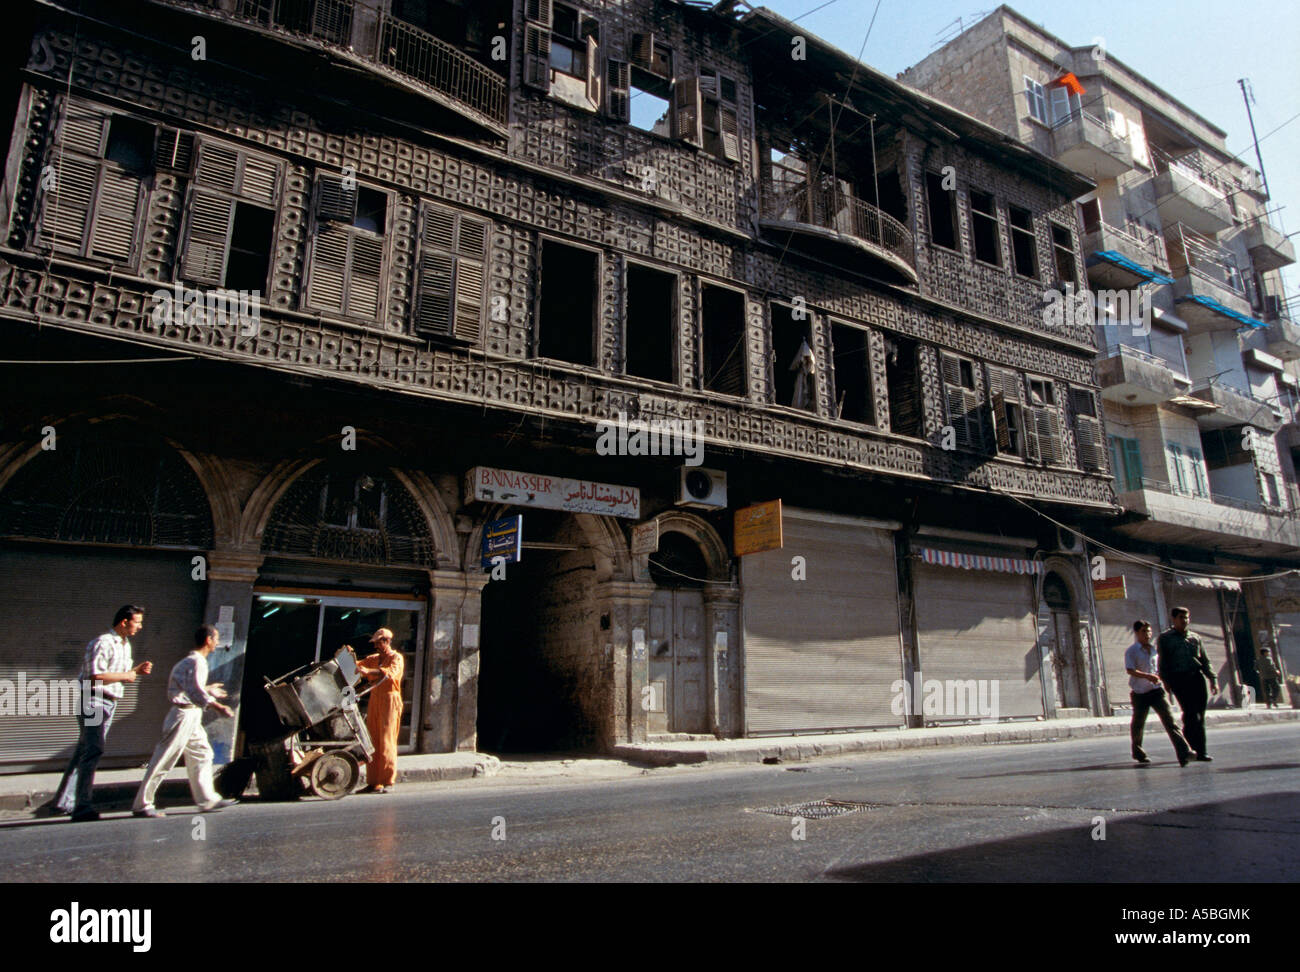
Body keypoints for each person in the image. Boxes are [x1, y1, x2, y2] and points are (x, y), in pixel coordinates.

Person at [53, 605, 152, 822]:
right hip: (93, 700)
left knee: (84, 750)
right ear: (124, 622)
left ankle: (64, 801)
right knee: (94, 750)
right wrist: (125, 676)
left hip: (108, 702)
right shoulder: (102, 643)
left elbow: (117, 673)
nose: (140, 626)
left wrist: (135, 671)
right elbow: (93, 676)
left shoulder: (125, 645)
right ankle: (81, 807)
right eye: (138, 622)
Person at [132, 624, 237, 818]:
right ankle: (142, 804)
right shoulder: (196, 662)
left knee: (202, 753)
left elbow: (191, 688)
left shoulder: (193, 662)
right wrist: (219, 707)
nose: (217, 643)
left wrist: (208, 689)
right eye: (216, 638)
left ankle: (207, 799)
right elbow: (194, 692)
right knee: (164, 759)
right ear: (208, 640)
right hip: (183, 715)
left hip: (191, 714)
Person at [1124, 620, 1191, 767]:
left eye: (1149, 631)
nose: (1147, 635)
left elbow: (1158, 668)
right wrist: (1148, 676)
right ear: (1136, 633)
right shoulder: (1132, 651)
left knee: (1170, 721)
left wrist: (1164, 681)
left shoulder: (1154, 650)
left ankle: (1184, 752)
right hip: (1140, 693)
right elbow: (1130, 670)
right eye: (1143, 632)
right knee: (1138, 724)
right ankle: (1138, 751)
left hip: (1156, 692)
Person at [1157, 606, 1218, 762]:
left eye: (1187, 617)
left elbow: (1204, 660)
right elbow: (1162, 663)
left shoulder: (1195, 637)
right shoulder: (1165, 638)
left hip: (1196, 678)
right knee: (1191, 714)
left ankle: (1200, 751)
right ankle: (1189, 749)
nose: (1185, 621)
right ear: (1174, 619)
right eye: (1181, 618)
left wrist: (1213, 680)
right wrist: (1166, 683)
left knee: (1200, 716)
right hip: (1179, 680)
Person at [356, 628, 403, 794]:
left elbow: (390, 674)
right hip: (376, 698)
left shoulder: (396, 658)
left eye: (379, 642)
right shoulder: (374, 658)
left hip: (390, 699)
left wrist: (369, 672)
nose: (376, 645)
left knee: (387, 739)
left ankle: (387, 781)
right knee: (374, 739)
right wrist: (349, 657)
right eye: (375, 643)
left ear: (387, 641)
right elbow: (359, 665)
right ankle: (374, 782)